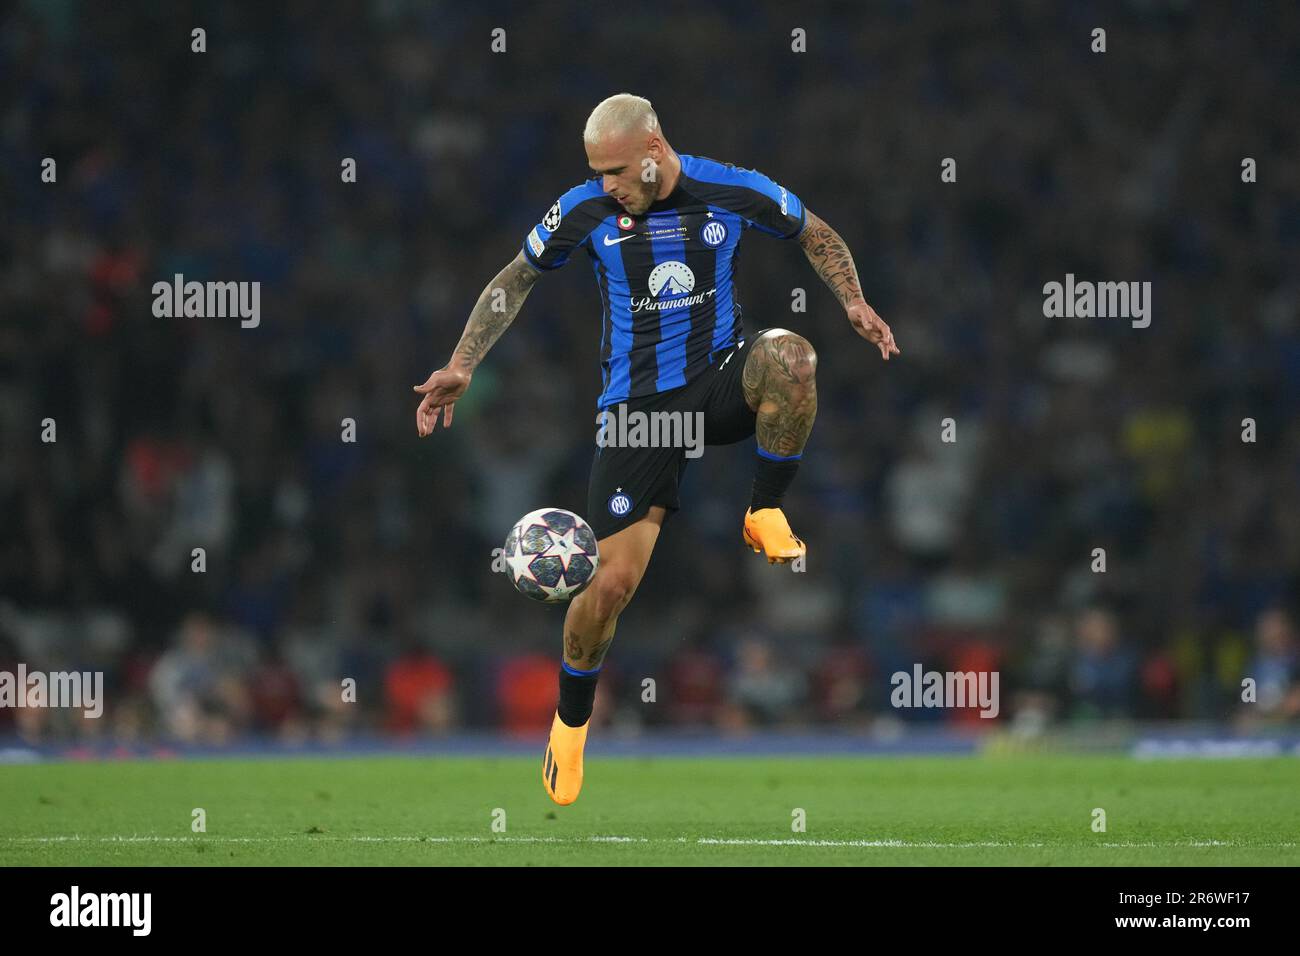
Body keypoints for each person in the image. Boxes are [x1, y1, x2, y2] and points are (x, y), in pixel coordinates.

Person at [414, 93, 899, 805]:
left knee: (794, 359)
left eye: (614, 169)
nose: (605, 184)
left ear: (653, 147)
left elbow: (814, 232)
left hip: (720, 380)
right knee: (608, 587)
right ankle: (570, 727)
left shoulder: (730, 188)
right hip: (638, 413)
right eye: (596, 171)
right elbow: (513, 279)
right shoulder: (583, 210)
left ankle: (765, 513)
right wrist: (463, 362)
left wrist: (852, 300)